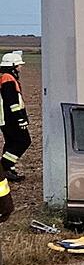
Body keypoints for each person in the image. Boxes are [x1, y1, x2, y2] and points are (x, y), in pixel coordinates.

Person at [0, 51, 31, 183]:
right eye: (19, 65)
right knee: (23, 141)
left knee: (11, 143)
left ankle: (9, 171)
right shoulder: (8, 78)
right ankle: (4, 166)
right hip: (10, 119)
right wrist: (20, 118)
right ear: (12, 66)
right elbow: (12, 102)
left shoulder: (6, 77)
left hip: (5, 119)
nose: (20, 67)